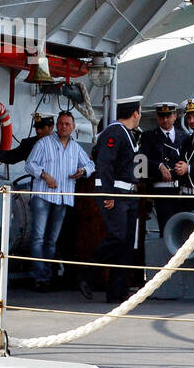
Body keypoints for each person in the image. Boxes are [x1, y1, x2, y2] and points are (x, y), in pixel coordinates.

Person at [24, 111, 94, 291]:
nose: (64, 126)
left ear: (73, 127)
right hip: (43, 195)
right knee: (38, 238)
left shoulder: (75, 148)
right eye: (61, 123)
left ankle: (48, 276)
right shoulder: (44, 143)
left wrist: (82, 171)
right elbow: (30, 164)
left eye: (67, 124)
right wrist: (44, 175)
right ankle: (41, 278)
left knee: (51, 240)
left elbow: (91, 165)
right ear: (56, 125)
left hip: (63, 197)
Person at [85, 94, 143, 302]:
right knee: (117, 236)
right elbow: (105, 164)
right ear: (135, 113)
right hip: (115, 194)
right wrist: (108, 194)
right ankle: (88, 274)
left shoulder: (129, 134)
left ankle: (117, 290)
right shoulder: (114, 132)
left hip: (128, 194)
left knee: (126, 243)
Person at [139, 100, 185, 234]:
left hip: (181, 189)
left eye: (168, 116)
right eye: (162, 117)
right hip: (161, 188)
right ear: (157, 117)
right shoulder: (148, 137)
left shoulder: (184, 137)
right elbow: (142, 158)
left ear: (175, 116)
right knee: (166, 228)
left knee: (183, 228)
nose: (165, 120)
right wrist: (159, 165)